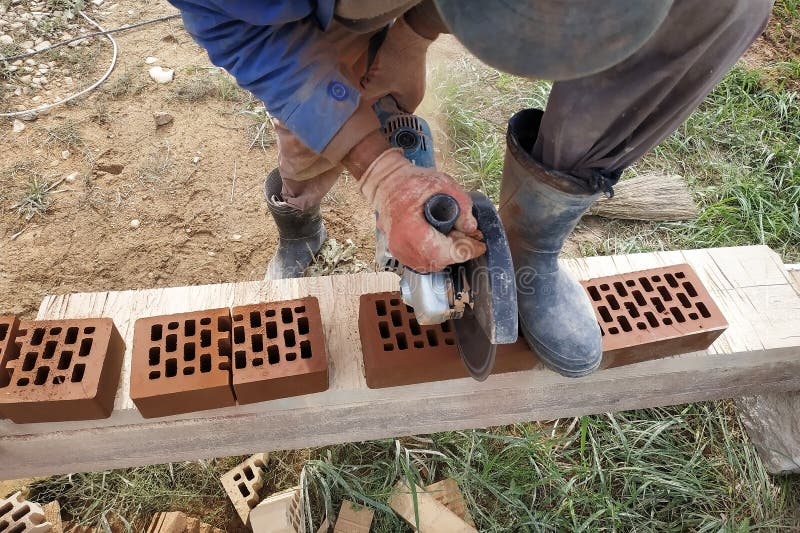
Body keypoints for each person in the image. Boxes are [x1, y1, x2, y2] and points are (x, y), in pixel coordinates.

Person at [166, 0, 773, 377]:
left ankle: (533, 239)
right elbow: (255, 42)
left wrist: (414, 33)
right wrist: (380, 171)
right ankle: (299, 218)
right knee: (312, 142)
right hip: (311, 12)